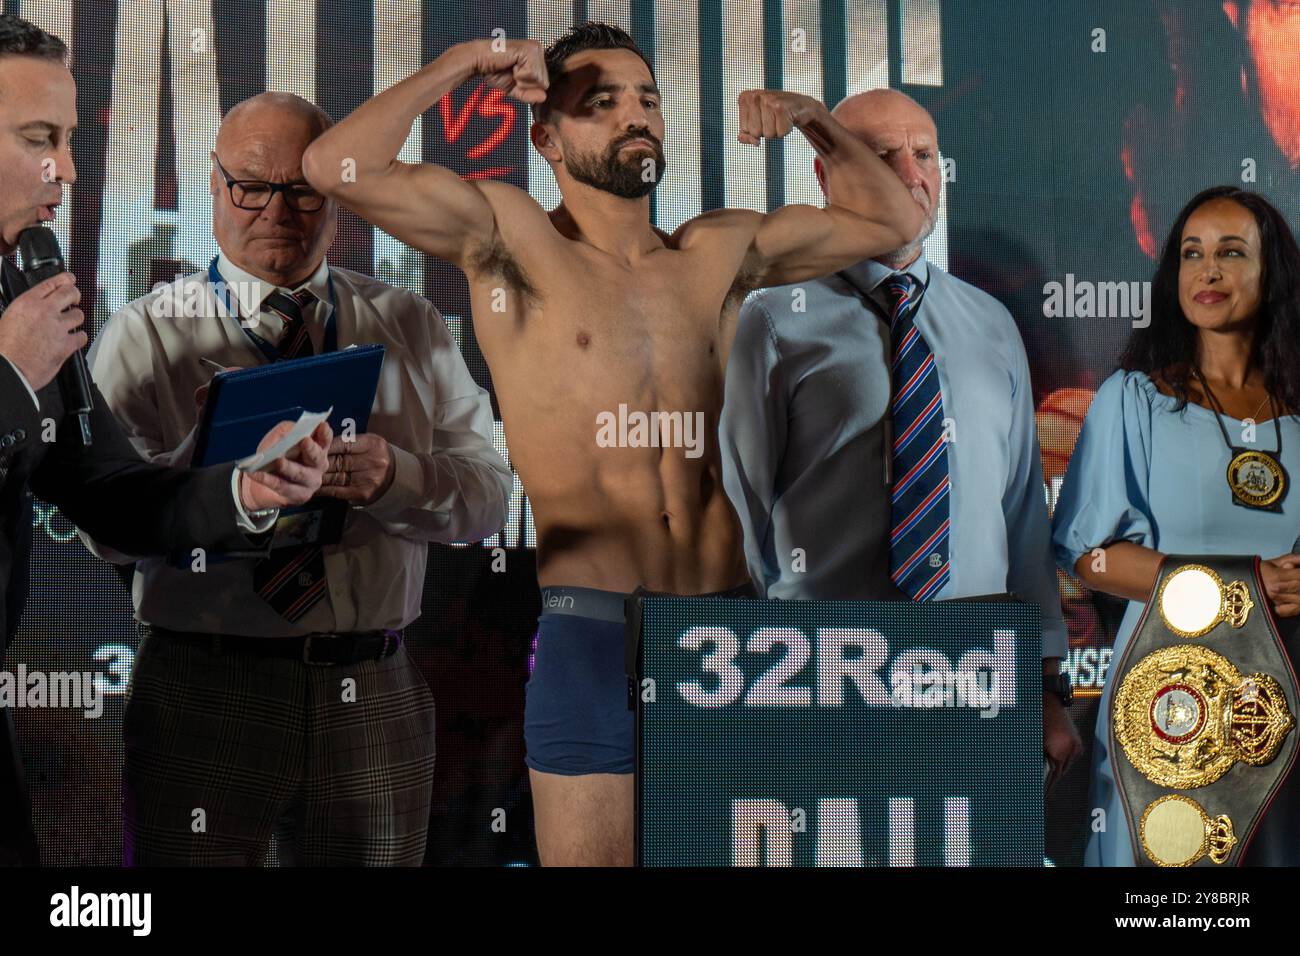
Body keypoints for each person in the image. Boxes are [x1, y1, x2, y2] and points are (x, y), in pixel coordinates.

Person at [301, 21, 925, 865]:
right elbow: (337, 167)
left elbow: (889, 219)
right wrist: (462, 63)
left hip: (726, 628)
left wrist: (813, 115)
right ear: (546, 136)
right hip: (590, 632)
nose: (635, 116)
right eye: (601, 103)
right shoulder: (509, 239)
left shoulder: (720, 249)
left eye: (647, 100)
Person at [80, 92, 513, 866]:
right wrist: (211, 471)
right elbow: (105, 528)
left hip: (372, 691)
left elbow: (489, 498)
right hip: (202, 690)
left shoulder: (408, 322)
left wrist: (396, 477)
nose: (277, 210)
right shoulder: (143, 333)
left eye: (303, 188)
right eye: (252, 185)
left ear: (337, 195)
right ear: (214, 185)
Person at [0, 14, 329, 866]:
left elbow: (105, 484)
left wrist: (240, 490)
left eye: (70, 140)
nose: (68, 169)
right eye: (41, 138)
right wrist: (7, 382)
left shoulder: (27, 283)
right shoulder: (22, 337)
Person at [719, 87, 1082, 789]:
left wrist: (1044, 684)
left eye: (923, 154)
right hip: (821, 682)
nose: (912, 174)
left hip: (975, 683)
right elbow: (742, 513)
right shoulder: (772, 318)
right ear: (826, 178)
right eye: (883, 157)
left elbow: (1022, 524)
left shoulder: (991, 325)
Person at [1052, 185, 1300, 866]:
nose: (1208, 271)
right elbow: (1088, 557)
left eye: (1230, 252)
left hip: (1287, 697)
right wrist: (1239, 584)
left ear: (1271, 271)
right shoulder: (1134, 401)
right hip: (1166, 700)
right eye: (1192, 253)